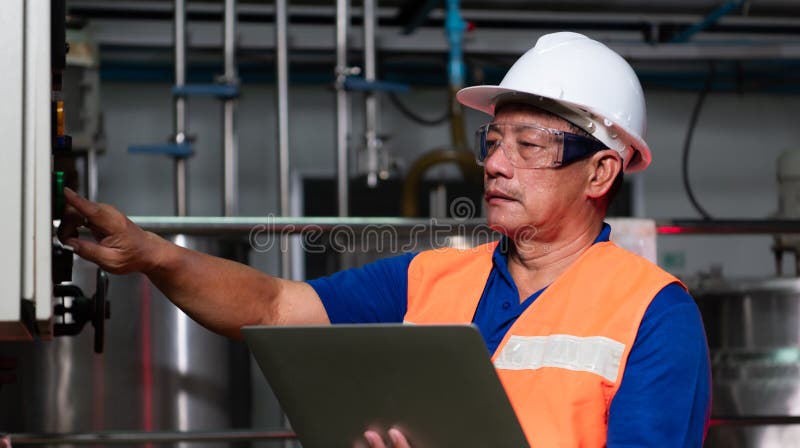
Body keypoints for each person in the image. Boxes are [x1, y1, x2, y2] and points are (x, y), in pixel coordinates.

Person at [60, 32, 711, 447]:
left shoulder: (654, 314)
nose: (495, 164)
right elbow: (275, 309)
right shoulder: (431, 279)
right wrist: (153, 255)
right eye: (492, 143)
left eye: (529, 146)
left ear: (601, 171)